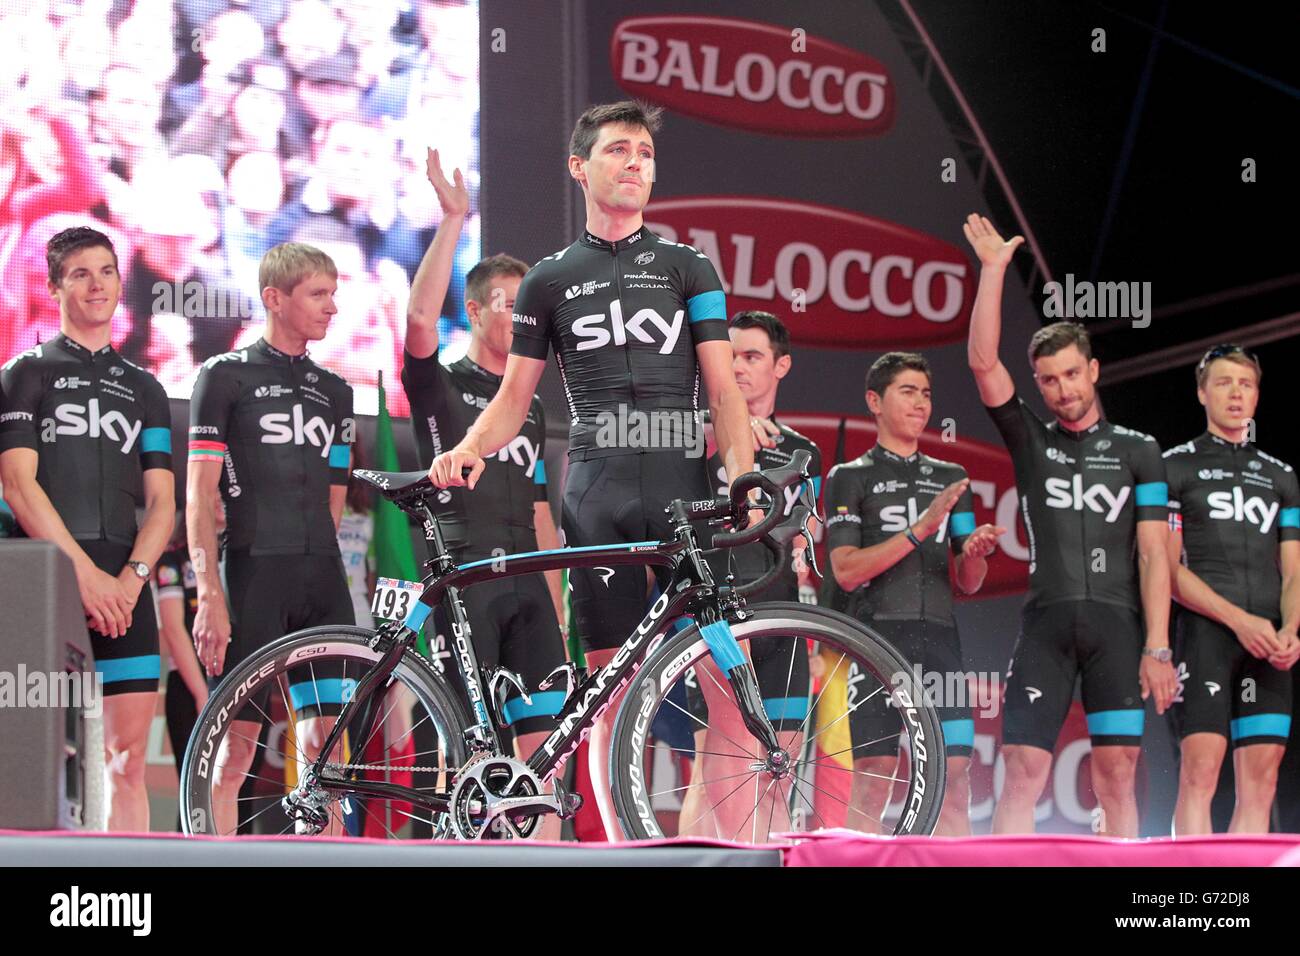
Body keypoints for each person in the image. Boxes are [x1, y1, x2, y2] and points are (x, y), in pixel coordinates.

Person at [427, 101, 758, 839]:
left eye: (644, 152)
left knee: (727, 692)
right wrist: (469, 449)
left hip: (684, 489)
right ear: (580, 167)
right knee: (608, 694)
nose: (636, 163)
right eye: (618, 151)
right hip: (597, 493)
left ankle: (734, 851)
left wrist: (739, 475)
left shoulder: (688, 266)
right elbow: (515, 397)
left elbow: (724, 387)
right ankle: (620, 851)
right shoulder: (548, 280)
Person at [963, 213, 1177, 837]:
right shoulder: (1030, 439)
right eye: (1049, 380)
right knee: (1022, 771)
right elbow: (982, 363)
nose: (1062, 389)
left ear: (1094, 371)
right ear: (1039, 384)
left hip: (1118, 625)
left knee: (1117, 776)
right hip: (1047, 624)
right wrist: (994, 272)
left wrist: (1158, 647)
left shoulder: (1141, 452)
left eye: (1071, 374)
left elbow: (1154, 556)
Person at [401, 148, 569, 838]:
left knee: (545, 763)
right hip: (464, 582)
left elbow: (537, 506)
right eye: (508, 302)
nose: (521, 316)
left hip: (528, 586)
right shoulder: (438, 384)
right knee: (459, 764)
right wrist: (453, 220)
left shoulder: (526, 406)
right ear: (472, 311)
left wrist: (559, 603)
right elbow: (415, 323)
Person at [0, 225, 174, 831]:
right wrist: (85, 578)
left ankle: (127, 893)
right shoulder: (24, 374)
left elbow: (162, 504)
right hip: (49, 585)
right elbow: (19, 486)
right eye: (79, 273)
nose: (96, 284)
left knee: (126, 762)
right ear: (53, 289)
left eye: (105, 271)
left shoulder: (147, 389)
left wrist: (129, 581)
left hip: (125, 590)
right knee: (43, 760)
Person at [187, 240, 355, 836]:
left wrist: (316, 560)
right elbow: (198, 495)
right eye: (318, 294)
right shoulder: (223, 376)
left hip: (322, 579)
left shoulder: (338, 392)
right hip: (253, 574)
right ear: (274, 299)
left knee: (328, 756)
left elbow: (335, 499)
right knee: (235, 752)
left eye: (334, 294)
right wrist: (209, 592)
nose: (331, 307)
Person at [824, 351, 1003, 836]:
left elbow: (970, 581)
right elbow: (844, 571)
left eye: (926, 394)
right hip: (877, 644)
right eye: (908, 391)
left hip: (941, 643)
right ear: (874, 401)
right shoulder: (849, 476)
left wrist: (975, 552)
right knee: (875, 778)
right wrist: (921, 530)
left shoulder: (952, 479)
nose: (921, 403)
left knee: (954, 777)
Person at [678, 310, 822, 837]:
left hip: (781, 616)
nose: (738, 366)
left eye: (753, 356)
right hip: (713, 611)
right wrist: (728, 437)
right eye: (730, 354)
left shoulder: (804, 451)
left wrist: (806, 541)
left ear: (781, 366)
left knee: (780, 771)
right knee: (719, 761)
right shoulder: (695, 436)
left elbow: (805, 538)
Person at [1164, 345, 1299, 833]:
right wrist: (1240, 621)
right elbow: (1168, 570)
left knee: (1260, 785)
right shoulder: (1174, 467)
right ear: (1202, 393)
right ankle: (1189, 904)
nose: (1235, 392)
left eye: (1245, 383)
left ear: (1257, 396)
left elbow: (1294, 571)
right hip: (1207, 638)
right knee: (1199, 773)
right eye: (1223, 382)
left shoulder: (1281, 476)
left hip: (1268, 645)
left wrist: (1292, 631)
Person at [154, 519, 209, 798]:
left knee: (240, 785)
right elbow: (173, 629)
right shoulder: (171, 560)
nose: (219, 502)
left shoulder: (237, 555)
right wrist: (202, 694)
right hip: (189, 685)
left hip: (237, 678)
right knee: (195, 792)